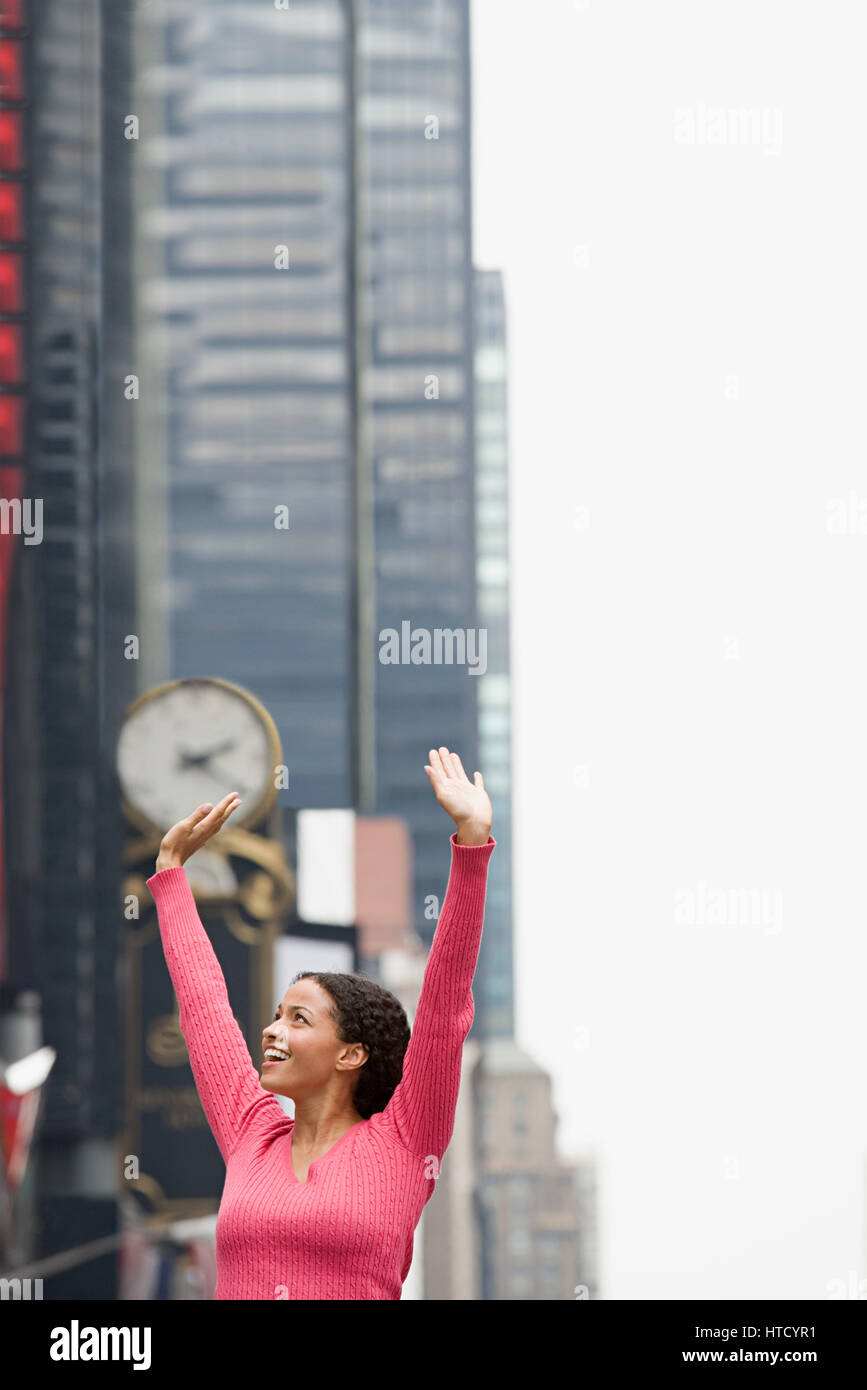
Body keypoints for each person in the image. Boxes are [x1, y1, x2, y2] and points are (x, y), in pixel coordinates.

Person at [146, 745, 495, 1299]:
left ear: (350, 1053)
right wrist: (170, 877)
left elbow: (444, 1009)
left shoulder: (405, 1140)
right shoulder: (251, 1134)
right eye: (276, 1016)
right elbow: (204, 1009)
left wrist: (472, 844)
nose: (271, 1031)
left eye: (298, 1019)